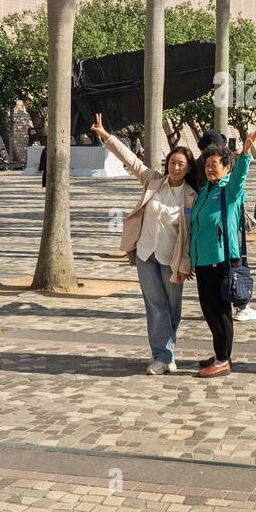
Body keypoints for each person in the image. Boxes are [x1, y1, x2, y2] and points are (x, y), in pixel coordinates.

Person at [92, 114, 196, 375]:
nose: (175, 167)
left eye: (181, 164)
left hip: (171, 259)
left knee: (172, 307)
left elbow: (191, 235)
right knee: (155, 306)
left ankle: (167, 350)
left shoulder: (192, 197)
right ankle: (161, 356)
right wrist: (107, 136)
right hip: (145, 254)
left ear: (188, 168)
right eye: (172, 162)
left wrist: (187, 263)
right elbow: (131, 160)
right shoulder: (153, 181)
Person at [188, 129, 256, 378]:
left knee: (219, 311)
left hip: (221, 259)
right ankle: (220, 353)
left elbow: (240, 177)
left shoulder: (229, 190)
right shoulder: (206, 191)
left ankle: (222, 360)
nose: (210, 169)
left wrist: (246, 153)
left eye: (215, 164)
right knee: (209, 309)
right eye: (207, 165)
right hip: (204, 260)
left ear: (226, 167)